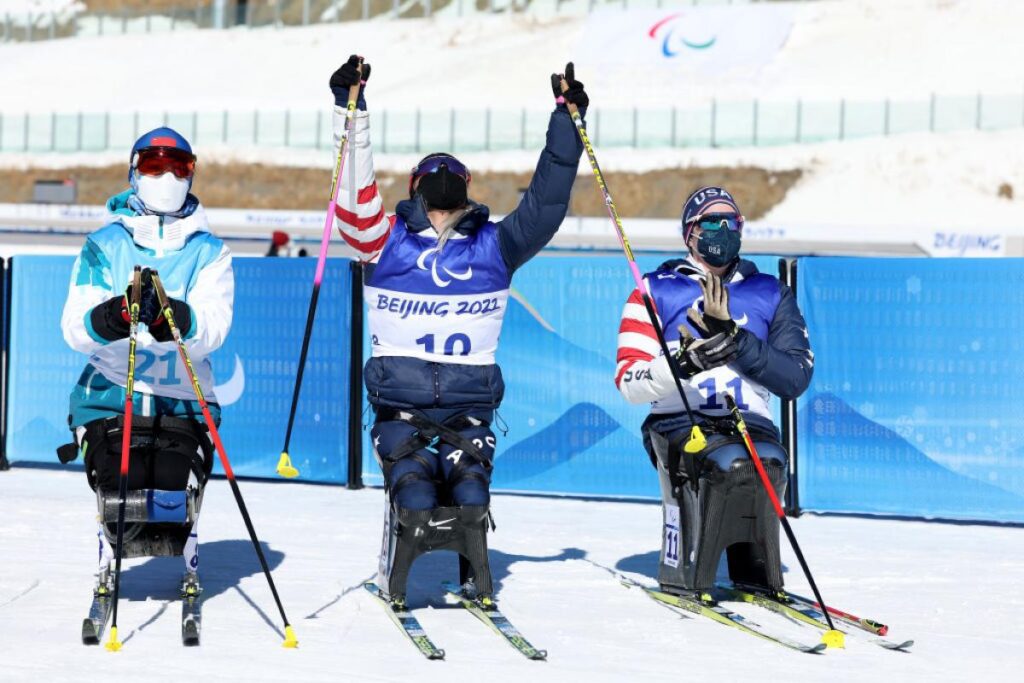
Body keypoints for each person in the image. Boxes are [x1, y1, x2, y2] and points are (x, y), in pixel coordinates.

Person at [328, 55, 586, 604]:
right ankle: (398, 567)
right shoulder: (383, 240)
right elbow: (353, 192)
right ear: (418, 189)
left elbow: (546, 204)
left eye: (452, 178)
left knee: (471, 496)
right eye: (431, 176)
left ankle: (476, 570)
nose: (442, 183)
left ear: (465, 191)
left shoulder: (496, 244)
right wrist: (351, 111)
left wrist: (567, 123)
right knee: (417, 497)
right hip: (402, 407)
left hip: (469, 409)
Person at [60, 127, 234, 601]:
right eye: (155, 165)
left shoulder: (209, 251)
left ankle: (183, 550)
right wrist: (114, 315)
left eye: (180, 166)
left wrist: (170, 316)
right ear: (134, 173)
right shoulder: (104, 244)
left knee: (172, 487)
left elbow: (214, 327)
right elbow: (75, 327)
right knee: (124, 481)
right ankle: (112, 549)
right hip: (113, 395)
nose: (168, 176)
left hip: (183, 401)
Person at [614, 186, 813, 600]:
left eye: (732, 222)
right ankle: (687, 569)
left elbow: (794, 378)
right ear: (690, 233)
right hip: (678, 419)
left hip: (749, 421)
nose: (723, 229)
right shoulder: (655, 289)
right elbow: (629, 381)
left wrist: (736, 341)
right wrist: (684, 362)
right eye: (711, 222)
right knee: (726, 464)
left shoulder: (770, 292)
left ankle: (757, 571)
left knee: (769, 461)